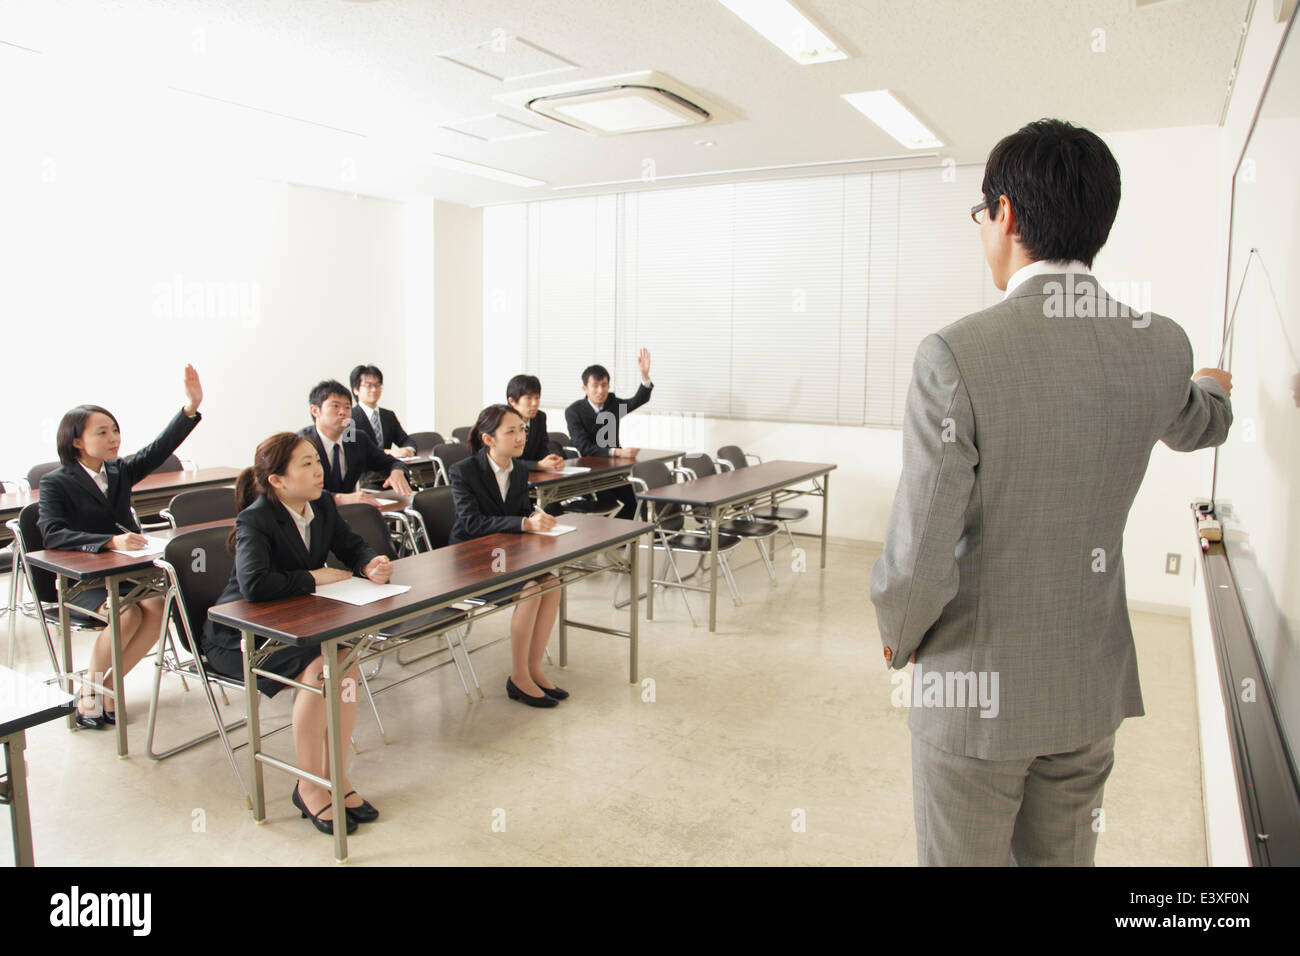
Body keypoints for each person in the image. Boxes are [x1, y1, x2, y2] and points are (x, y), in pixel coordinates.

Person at [869, 118, 1234, 866]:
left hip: (973, 694)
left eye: (981, 214)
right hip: (1085, 689)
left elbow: (921, 545)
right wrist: (1213, 389)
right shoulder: (1161, 345)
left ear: (1004, 213)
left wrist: (898, 633)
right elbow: (1201, 422)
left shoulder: (957, 354)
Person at [200, 432, 393, 835]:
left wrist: (369, 563)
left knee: (346, 663)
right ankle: (308, 786)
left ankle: (334, 777)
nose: (318, 470)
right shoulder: (255, 518)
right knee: (323, 668)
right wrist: (312, 577)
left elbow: (350, 543)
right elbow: (254, 585)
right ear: (277, 481)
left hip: (296, 623)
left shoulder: (319, 503)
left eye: (316, 461)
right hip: (241, 636)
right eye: (305, 464)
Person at [38, 365, 204, 728]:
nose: (114, 438)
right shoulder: (56, 483)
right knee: (126, 614)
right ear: (76, 441)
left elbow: (158, 449)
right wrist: (108, 541)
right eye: (103, 432)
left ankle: (107, 689)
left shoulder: (117, 471)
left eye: (115, 430)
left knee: (157, 607)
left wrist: (189, 409)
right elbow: (52, 533)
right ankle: (89, 693)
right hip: (83, 578)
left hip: (128, 571)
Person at [448, 404, 567, 708]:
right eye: (510, 431)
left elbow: (518, 510)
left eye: (522, 430)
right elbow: (472, 523)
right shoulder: (463, 471)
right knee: (530, 590)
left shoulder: (519, 469)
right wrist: (525, 523)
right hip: (472, 559)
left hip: (506, 555)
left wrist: (537, 516)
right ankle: (518, 677)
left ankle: (534, 668)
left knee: (552, 585)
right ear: (489, 439)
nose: (520, 437)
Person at [563, 349, 653, 518]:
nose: (600, 391)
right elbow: (583, 446)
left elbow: (637, 400)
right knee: (605, 504)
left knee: (635, 500)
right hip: (586, 473)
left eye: (604, 385)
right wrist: (617, 452)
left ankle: (619, 541)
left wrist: (644, 376)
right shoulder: (574, 411)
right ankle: (607, 537)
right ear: (585, 388)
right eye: (595, 386)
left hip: (611, 471)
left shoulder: (612, 404)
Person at [299, 379, 412, 506]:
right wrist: (338, 498)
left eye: (347, 407)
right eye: (335, 406)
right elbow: (300, 489)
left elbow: (391, 462)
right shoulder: (302, 443)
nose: (343, 412)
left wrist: (397, 471)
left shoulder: (356, 439)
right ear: (315, 410)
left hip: (349, 515)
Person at [506, 373, 566, 516]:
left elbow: (541, 448)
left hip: (534, 479)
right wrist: (538, 465)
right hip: (511, 482)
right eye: (528, 398)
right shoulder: (504, 422)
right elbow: (506, 460)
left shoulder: (539, 417)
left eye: (537, 397)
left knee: (554, 506)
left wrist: (551, 459)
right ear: (512, 401)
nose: (535, 403)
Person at [349, 364, 416, 458]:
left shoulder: (388, 415)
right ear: (356, 390)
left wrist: (409, 450)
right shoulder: (348, 417)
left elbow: (406, 440)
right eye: (368, 385)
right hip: (364, 470)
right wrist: (388, 452)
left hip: (390, 468)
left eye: (378, 385)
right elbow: (352, 449)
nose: (374, 389)